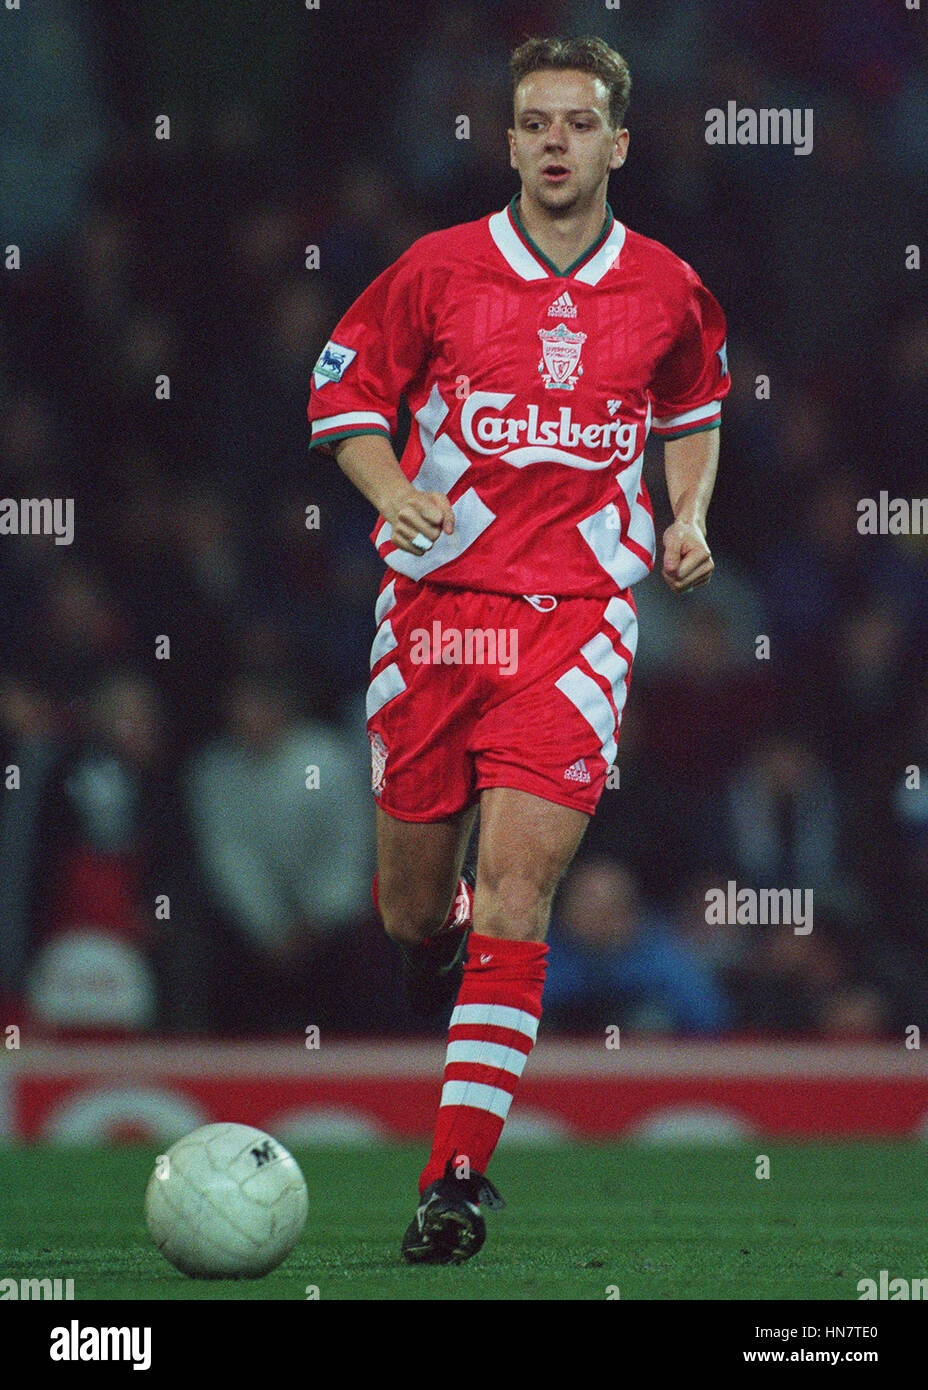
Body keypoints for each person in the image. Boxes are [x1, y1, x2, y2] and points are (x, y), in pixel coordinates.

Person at [307, 34, 729, 1264]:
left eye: (576, 123)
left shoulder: (668, 288)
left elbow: (692, 414)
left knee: (518, 888)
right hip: (433, 617)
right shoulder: (435, 272)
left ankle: (454, 1178)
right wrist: (392, 491)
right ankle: (437, 952)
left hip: (576, 621)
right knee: (406, 910)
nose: (554, 142)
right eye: (534, 122)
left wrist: (689, 515)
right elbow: (340, 403)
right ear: (507, 142)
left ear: (616, 143)